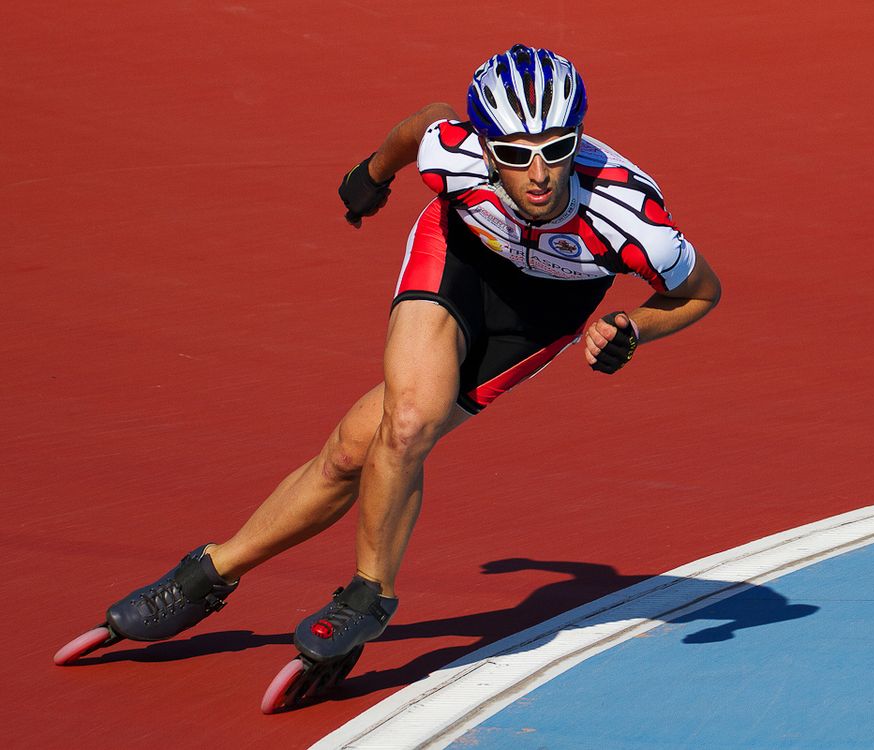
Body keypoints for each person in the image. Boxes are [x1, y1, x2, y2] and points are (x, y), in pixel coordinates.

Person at [56, 44, 721, 706]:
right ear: (484, 149)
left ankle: (209, 572)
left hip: (538, 317)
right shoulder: (450, 154)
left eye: (557, 147)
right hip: (457, 261)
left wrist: (634, 326)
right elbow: (423, 122)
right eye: (515, 155)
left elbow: (700, 292)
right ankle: (367, 596)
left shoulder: (630, 217)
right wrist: (373, 173)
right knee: (408, 424)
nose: (540, 173)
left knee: (353, 451)